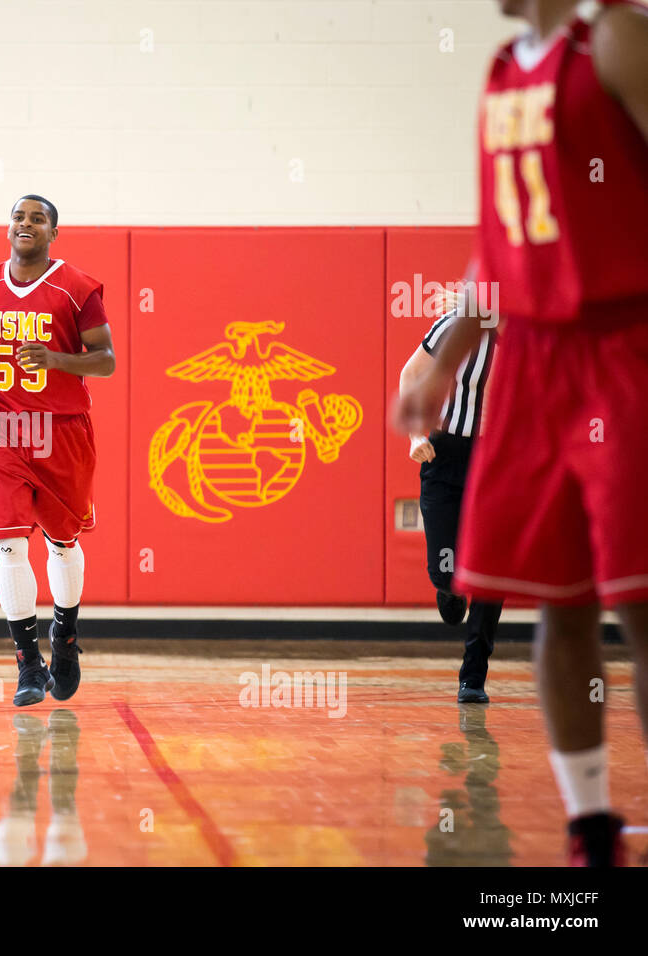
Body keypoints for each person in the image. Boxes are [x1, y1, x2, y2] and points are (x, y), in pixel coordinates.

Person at [396, 0, 648, 866]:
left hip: (619, 342)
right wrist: (442, 359)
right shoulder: (507, 67)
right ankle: (591, 828)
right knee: (559, 602)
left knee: (638, 600)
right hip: (534, 360)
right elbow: (499, 244)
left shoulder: (615, 35)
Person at [0, 195, 115, 707]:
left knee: (62, 543)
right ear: (8, 227)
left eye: (38, 218)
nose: (26, 223)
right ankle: (27, 662)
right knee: (8, 544)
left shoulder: (78, 288)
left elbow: (106, 361)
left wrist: (58, 360)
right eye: (19, 216)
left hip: (61, 429)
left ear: (53, 232)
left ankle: (64, 639)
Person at [399, 301, 503, 702]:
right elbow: (411, 375)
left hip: (495, 458)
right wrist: (415, 437)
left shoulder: (528, 339)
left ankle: (473, 676)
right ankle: (450, 587)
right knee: (446, 572)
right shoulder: (452, 327)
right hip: (444, 455)